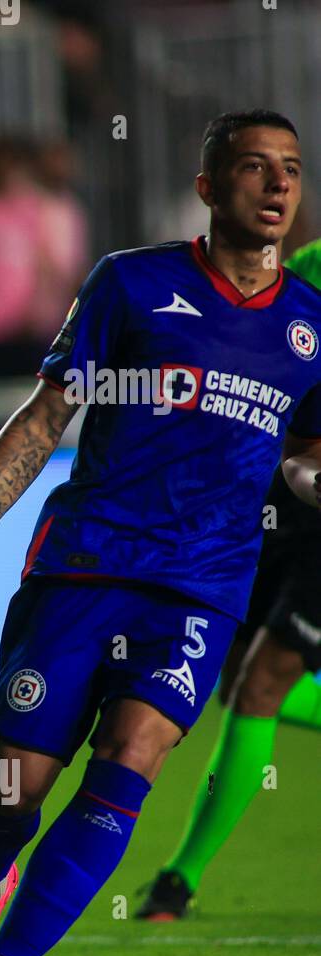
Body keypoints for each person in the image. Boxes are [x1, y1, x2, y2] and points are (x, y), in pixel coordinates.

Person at [0, 109, 321, 956]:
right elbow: (48, 411)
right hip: (88, 564)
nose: (276, 186)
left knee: (133, 754)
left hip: (203, 586)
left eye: (290, 170)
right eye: (253, 168)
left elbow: (303, 454)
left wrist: (313, 481)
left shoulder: (311, 326)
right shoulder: (132, 285)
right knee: (15, 786)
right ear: (209, 186)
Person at [139, 241, 321, 918]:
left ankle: (177, 882)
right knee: (234, 675)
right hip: (281, 488)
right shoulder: (310, 265)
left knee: (259, 686)